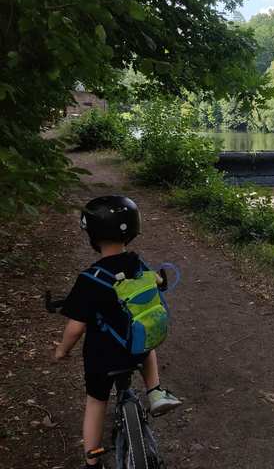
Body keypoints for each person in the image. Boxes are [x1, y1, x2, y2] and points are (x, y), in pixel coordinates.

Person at [54, 195, 182, 468]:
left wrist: (62, 350)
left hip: (102, 359)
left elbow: (75, 328)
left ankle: (92, 460)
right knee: (147, 344)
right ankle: (155, 391)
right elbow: (157, 280)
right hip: (135, 347)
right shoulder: (136, 263)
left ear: (92, 234)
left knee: (96, 403)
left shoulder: (90, 278)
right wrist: (158, 280)